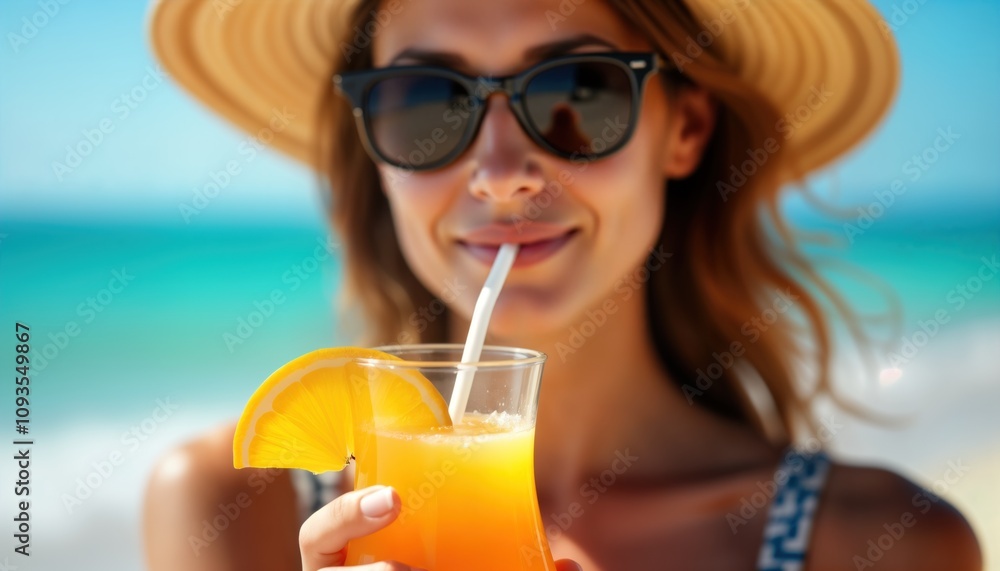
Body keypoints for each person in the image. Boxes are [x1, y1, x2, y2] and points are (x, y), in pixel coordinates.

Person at [143, 0, 983, 569]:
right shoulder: (234, 504)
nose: (502, 174)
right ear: (376, 149)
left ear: (683, 129)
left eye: (579, 90)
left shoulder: (880, 542)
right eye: (425, 100)